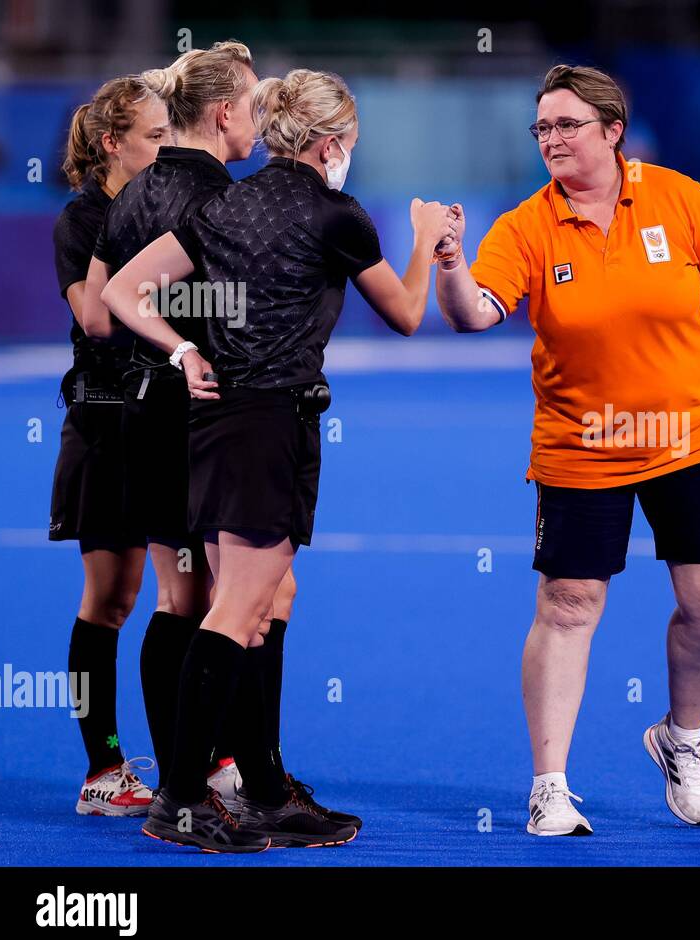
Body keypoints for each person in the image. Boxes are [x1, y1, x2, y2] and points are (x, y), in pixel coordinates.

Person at [434, 64, 700, 836]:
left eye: (567, 125)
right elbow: (474, 314)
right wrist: (450, 267)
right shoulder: (527, 225)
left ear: (611, 129)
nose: (552, 140)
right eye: (542, 128)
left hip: (691, 436)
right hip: (582, 446)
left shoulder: (678, 197)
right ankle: (550, 787)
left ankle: (681, 738)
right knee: (569, 607)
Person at [102, 67, 455, 851]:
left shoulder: (225, 202)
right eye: (350, 144)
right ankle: (184, 802)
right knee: (237, 611)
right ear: (331, 143)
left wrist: (182, 349)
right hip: (273, 428)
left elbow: (125, 294)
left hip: (218, 427)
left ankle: (262, 792)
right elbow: (403, 314)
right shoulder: (340, 216)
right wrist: (427, 243)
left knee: (265, 603)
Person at [80, 41, 290, 809]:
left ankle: (184, 777)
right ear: (225, 112)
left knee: (181, 600)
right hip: (207, 416)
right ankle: (233, 777)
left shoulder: (131, 194)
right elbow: (236, 313)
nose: (262, 123)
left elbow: (104, 303)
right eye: (255, 108)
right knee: (257, 598)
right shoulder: (222, 201)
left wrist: (158, 342)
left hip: (141, 412)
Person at [50, 73, 170, 815]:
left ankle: (208, 760)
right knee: (111, 599)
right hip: (104, 426)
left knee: (196, 590)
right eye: (155, 136)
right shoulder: (81, 219)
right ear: (111, 142)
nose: (165, 148)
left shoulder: (170, 208)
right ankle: (105, 770)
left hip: (171, 422)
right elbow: (97, 317)